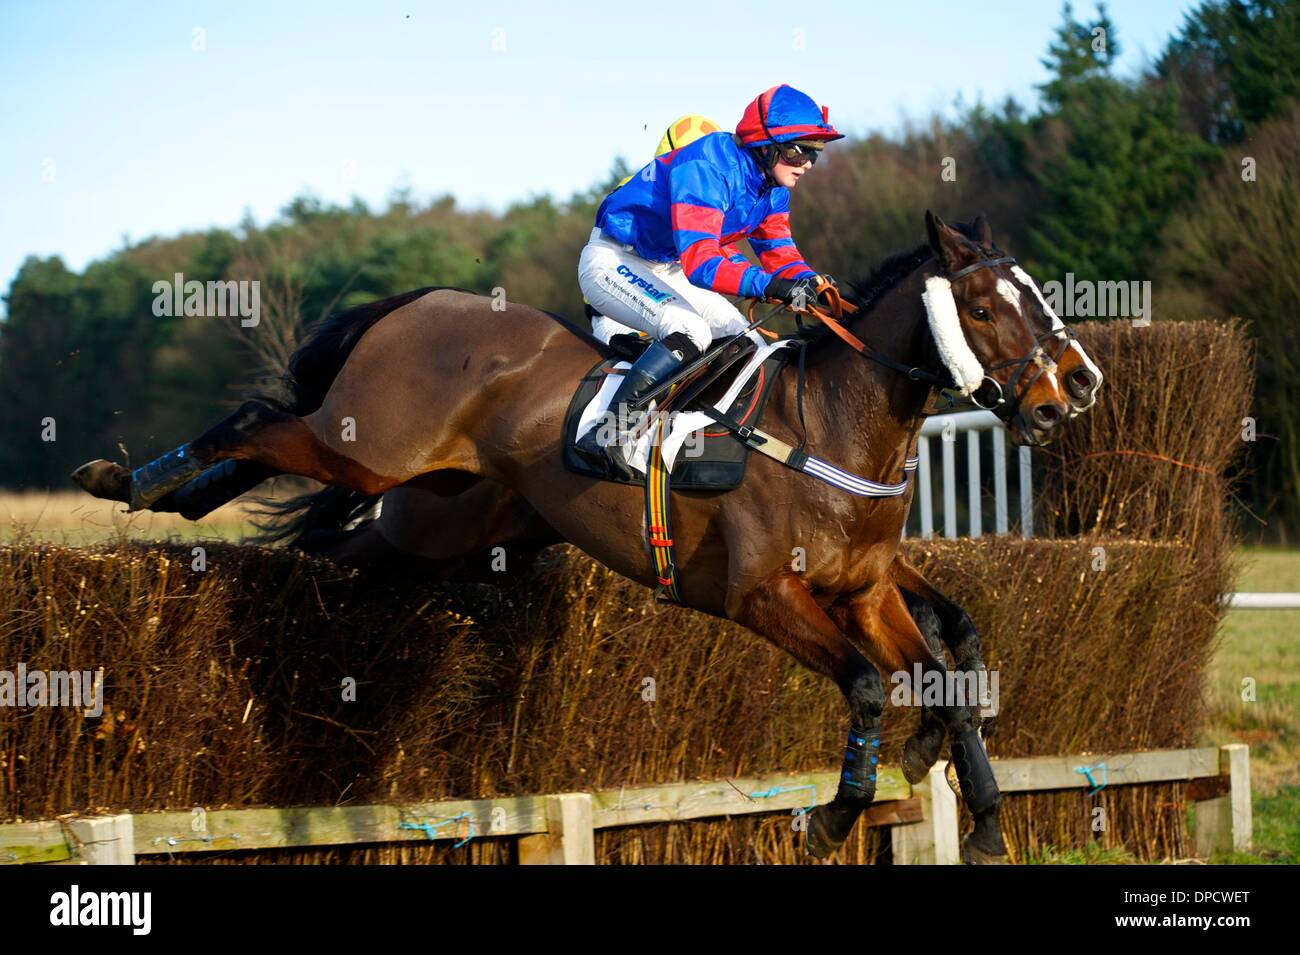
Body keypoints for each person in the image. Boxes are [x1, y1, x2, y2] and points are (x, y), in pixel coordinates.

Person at [575, 84, 843, 479]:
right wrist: (770, 287)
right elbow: (702, 262)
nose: (806, 163)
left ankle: (695, 438)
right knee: (690, 331)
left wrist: (810, 283)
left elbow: (779, 253)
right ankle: (606, 435)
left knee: (744, 341)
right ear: (766, 144)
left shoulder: (772, 188)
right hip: (614, 259)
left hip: (667, 266)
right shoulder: (707, 164)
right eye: (797, 150)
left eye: (814, 154)